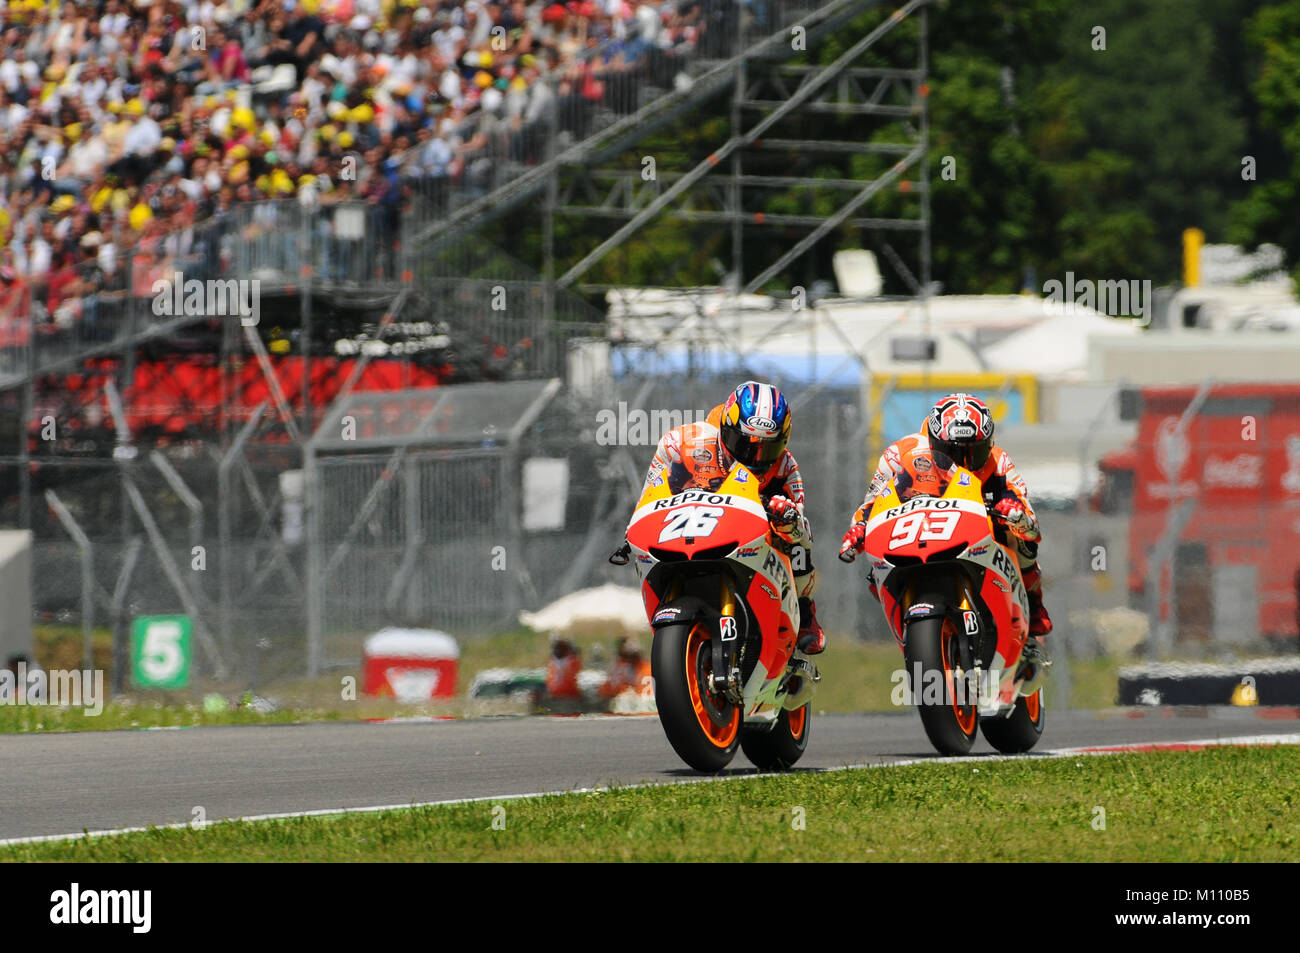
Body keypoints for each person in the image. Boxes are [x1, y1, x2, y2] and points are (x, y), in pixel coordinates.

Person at [839, 392, 1054, 648]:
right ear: (933, 444)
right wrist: (860, 528)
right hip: (917, 532)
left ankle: (1033, 604)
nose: (964, 462)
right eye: (952, 453)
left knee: (1023, 542)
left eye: (975, 451)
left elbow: (1029, 519)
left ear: (989, 441)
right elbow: (873, 502)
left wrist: (1015, 512)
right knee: (873, 573)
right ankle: (910, 624)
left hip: (977, 531)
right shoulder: (899, 455)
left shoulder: (999, 461)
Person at [636, 381, 825, 654]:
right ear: (726, 428)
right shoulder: (683, 443)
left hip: (751, 532)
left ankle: (806, 613)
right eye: (743, 444)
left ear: (783, 442)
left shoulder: (785, 467)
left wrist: (787, 518)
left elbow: (798, 522)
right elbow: (650, 494)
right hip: (692, 525)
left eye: (766, 449)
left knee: (801, 540)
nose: (754, 456)